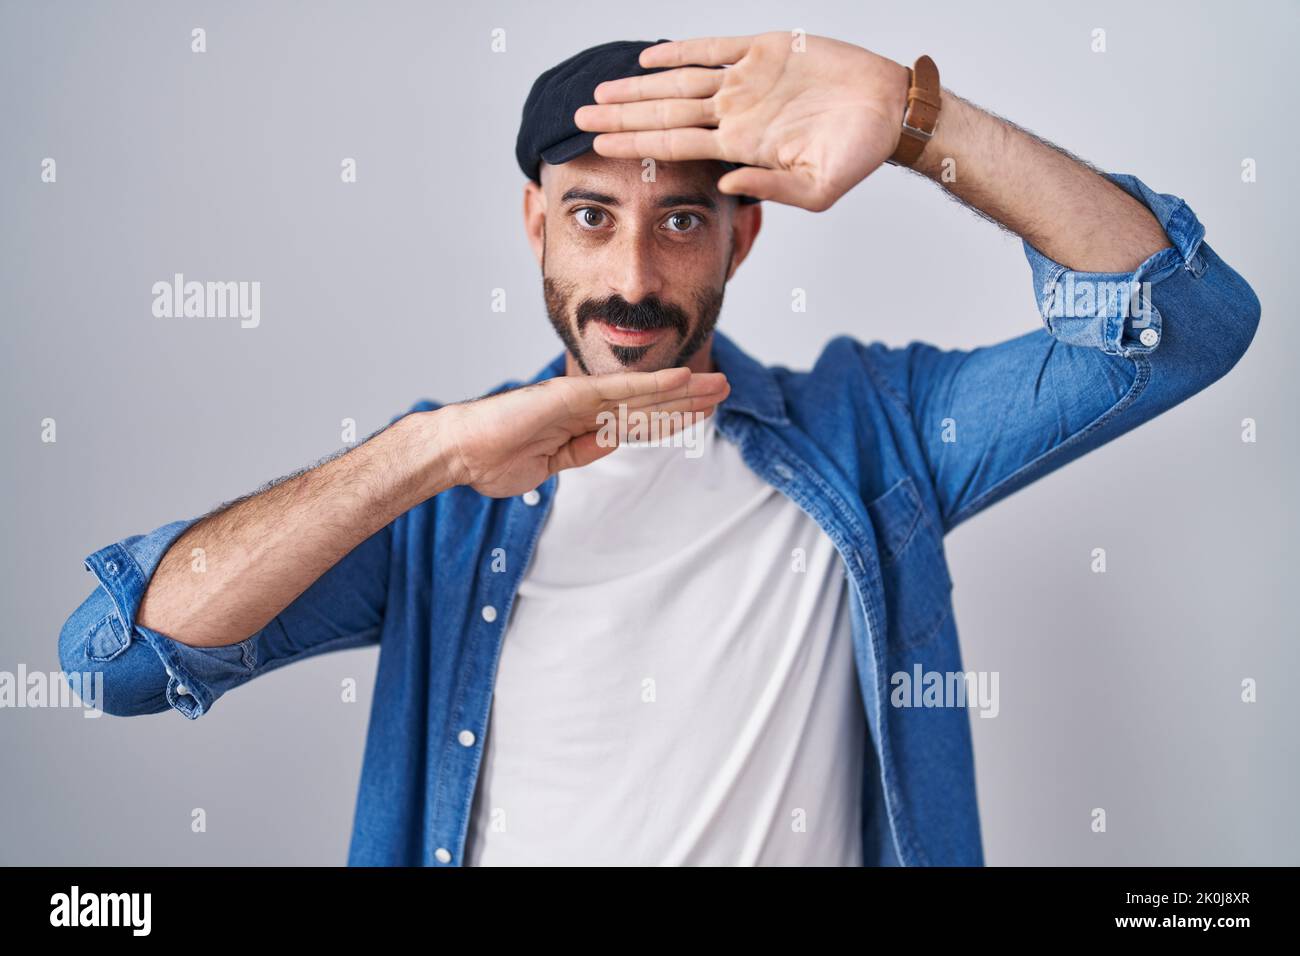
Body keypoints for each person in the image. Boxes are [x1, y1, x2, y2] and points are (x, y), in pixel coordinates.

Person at [58, 33, 1260, 866]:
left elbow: (1179, 329)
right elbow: (115, 659)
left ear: (743, 237)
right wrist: (418, 453)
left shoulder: (873, 432)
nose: (631, 277)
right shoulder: (445, 492)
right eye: (592, 216)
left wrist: (914, 120)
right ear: (536, 222)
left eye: (679, 220)